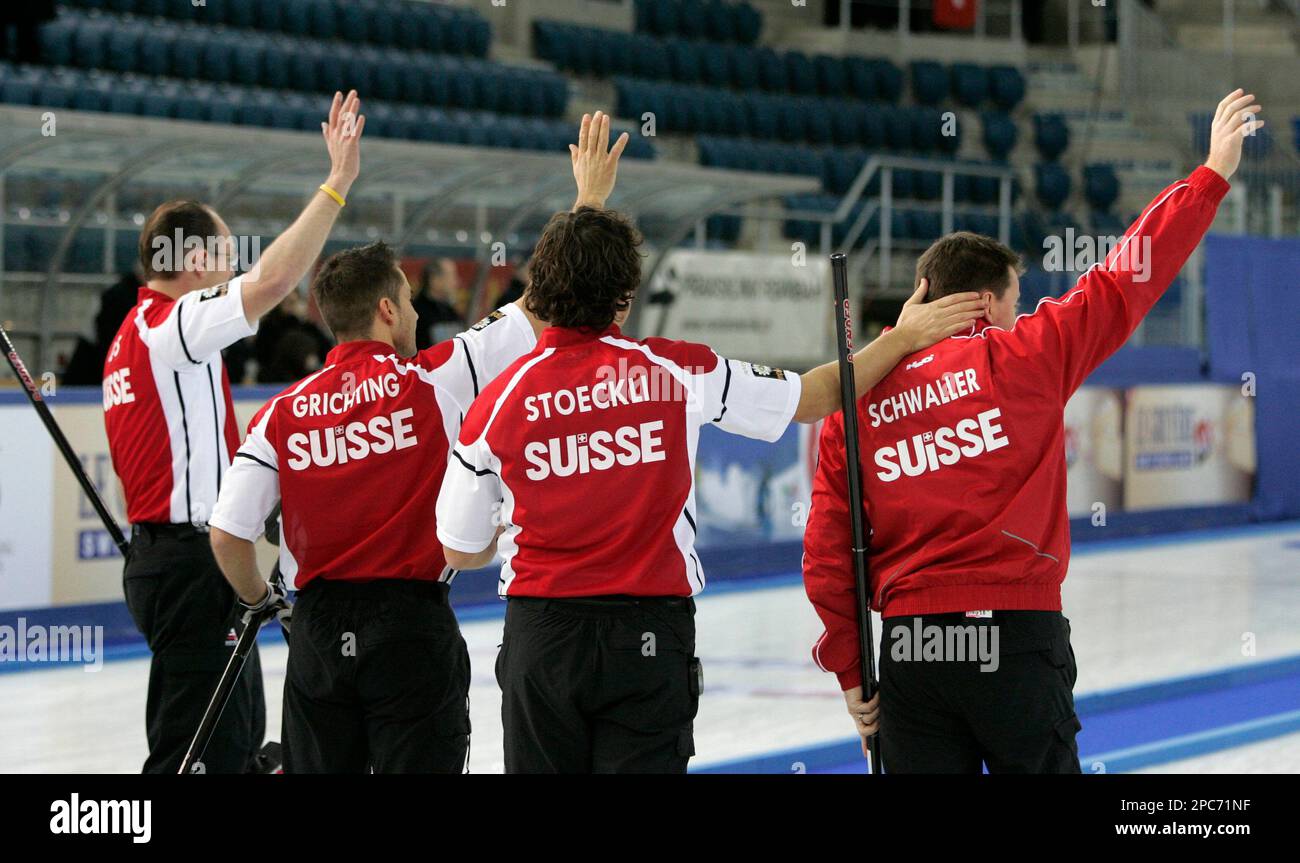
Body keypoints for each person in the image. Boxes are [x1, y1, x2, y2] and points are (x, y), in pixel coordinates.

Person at [434, 111, 987, 774]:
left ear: (544, 292)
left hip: (541, 638)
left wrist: (507, 527)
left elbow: (459, 550)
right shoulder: (678, 370)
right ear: (627, 299)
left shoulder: (499, 400)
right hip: (649, 635)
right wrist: (902, 335)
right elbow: (815, 397)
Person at [801, 90, 1260, 773]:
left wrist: (848, 667)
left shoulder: (854, 398)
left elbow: (828, 555)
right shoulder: (1026, 356)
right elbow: (1125, 276)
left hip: (911, 654)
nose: (1020, 316)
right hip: (1017, 640)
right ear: (984, 302)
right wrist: (1211, 174)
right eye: (1015, 303)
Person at [204, 115, 627, 774]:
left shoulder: (281, 414)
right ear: (387, 311)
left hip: (317, 634)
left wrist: (266, 601)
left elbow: (229, 534)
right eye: (409, 298)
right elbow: (544, 307)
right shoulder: (435, 379)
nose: (420, 311)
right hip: (410, 629)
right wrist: (589, 201)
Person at [102, 90, 365, 774]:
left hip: (184, 561)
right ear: (189, 259)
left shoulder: (129, 338)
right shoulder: (174, 326)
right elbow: (274, 277)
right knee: (197, 749)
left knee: (234, 744)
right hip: (190, 565)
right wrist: (335, 185)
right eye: (222, 250)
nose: (230, 263)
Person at [414, 257, 463, 349]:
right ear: (434, 280)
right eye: (451, 276)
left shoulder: (451, 312)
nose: (456, 282)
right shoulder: (415, 314)